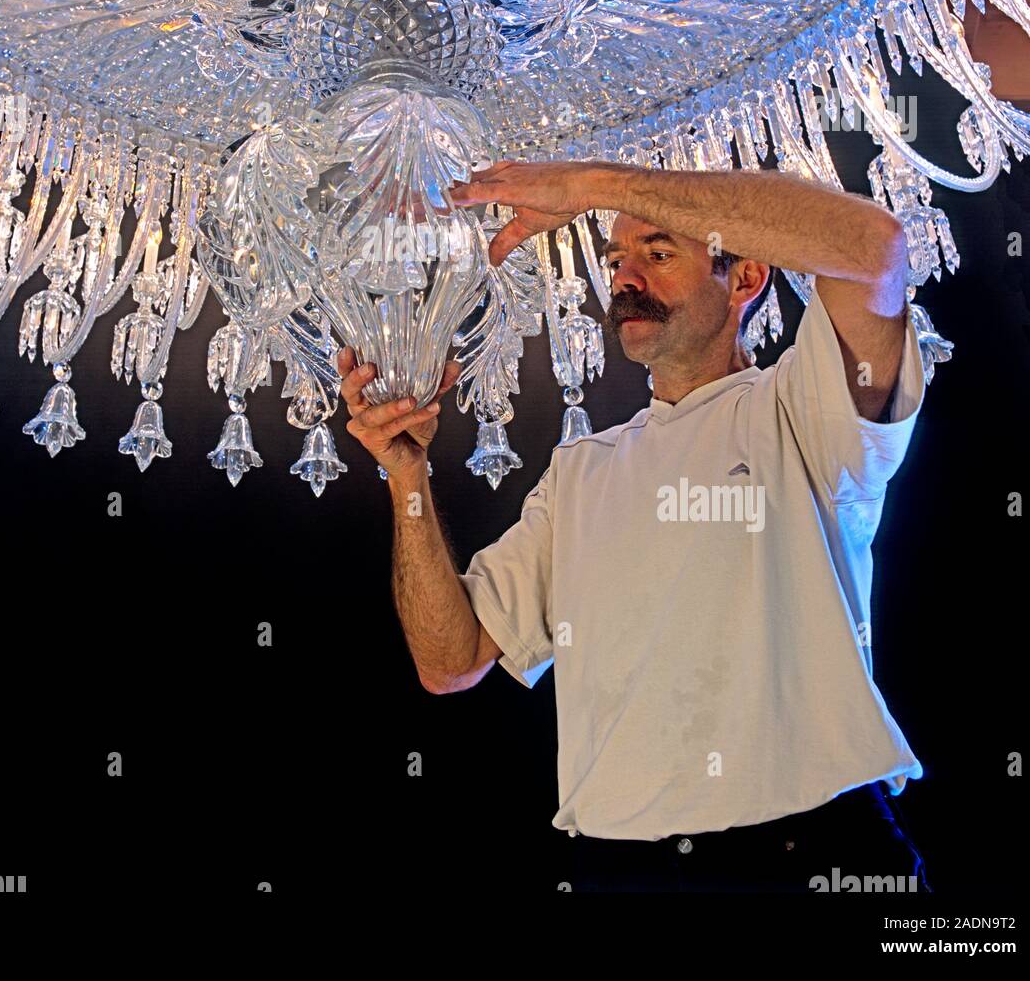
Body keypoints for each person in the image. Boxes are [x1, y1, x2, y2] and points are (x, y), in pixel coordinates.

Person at [336, 158, 932, 893]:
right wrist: (407, 478)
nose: (625, 279)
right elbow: (449, 661)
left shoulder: (807, 406)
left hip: (807, 852)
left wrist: (593, 187)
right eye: (617, 258)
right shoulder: (582, 472)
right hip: (621, 868)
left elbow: (873, 246)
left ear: (745, 279)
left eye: (658, 253)